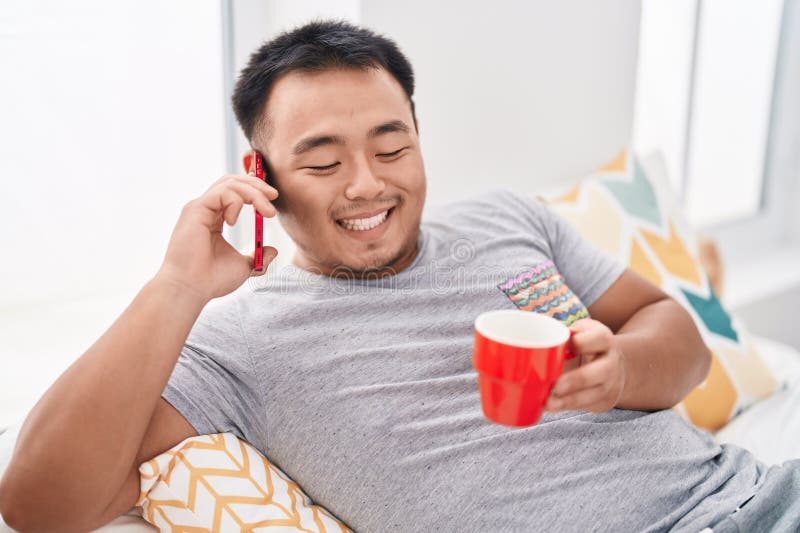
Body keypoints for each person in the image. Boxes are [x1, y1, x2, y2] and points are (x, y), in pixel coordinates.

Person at [1, 20, 798, 533]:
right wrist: (175, 284)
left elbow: (682, 343)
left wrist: (622, 368)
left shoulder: (506, 219)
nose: (366, 185)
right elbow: (38, 502)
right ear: (261, 173)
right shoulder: (240, 341)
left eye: (391, 147)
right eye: (321, 159)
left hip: (758, 493)